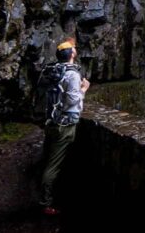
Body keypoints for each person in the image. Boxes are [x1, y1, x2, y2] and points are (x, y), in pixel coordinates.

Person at [39, 38, 89, 215]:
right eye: (74, 49)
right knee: (53, 165)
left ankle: (47, 195)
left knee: (48, 158)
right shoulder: (72, 74)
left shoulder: (53, 70)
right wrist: (84, 89)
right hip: (64, 124)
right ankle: (45, 203)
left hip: (51, 121)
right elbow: (73, 100)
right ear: (72, 55)